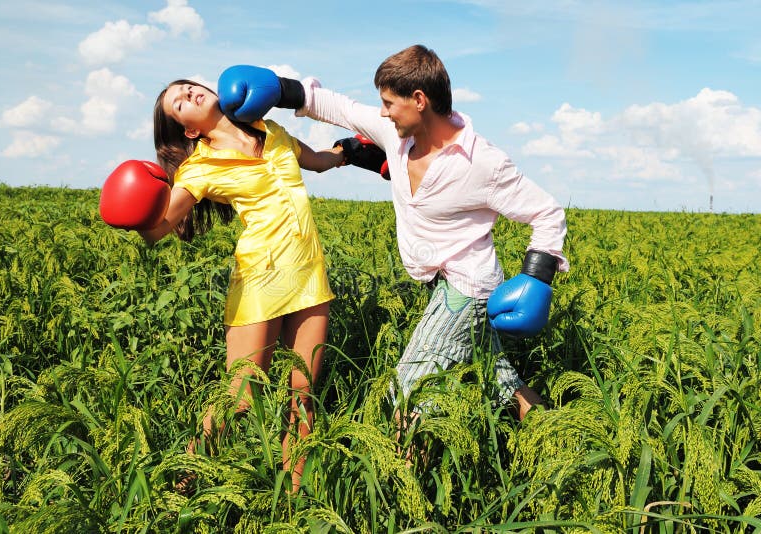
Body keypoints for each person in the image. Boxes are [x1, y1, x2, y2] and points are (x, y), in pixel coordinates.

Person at [218, 44, 569, 435]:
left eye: (389, 103)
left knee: (406, 395)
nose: (382, 112)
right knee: (502, 381)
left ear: (419, 100)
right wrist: (282, 90)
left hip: (467, 288)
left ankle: (402, 486)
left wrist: (538, 277)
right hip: (440, 281)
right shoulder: (397, 135)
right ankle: (557, 433)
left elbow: (547, 212)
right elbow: (339, 108)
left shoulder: (483, 163)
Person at [142, 78, 344, 492]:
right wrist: (132, 212)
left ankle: (294, 501)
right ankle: (178, 491)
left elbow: (319, 161)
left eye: (188, 88)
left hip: (308, 272)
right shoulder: (199, 167)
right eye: (179, 104)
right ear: (189, 130)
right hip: (259, 279)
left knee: (302, 395)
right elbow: (159, 227)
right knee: (239, 398)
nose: (188, 95)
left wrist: (351, 152)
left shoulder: (272, 131)